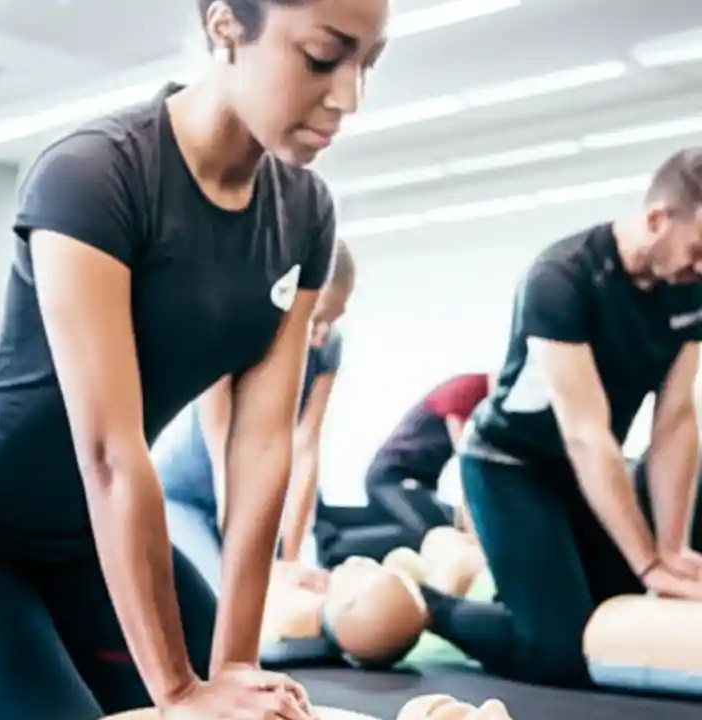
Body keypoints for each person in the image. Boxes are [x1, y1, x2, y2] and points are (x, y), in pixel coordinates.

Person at [0, 1, 388, 719]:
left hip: (85, 531)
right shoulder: (92, 176)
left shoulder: (306, 214)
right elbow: (110, 451)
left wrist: (233, 664)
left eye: (369, 62)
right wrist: (178, 693)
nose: (348, 96)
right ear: (224, 26)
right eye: (324, 57)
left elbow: (261, 444)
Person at [422, 148, 702, 689]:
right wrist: (647, 564)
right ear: (655, 220)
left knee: (613, 620)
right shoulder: (561, 277)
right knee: (560, 652)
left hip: (586, 476)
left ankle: (513, 588)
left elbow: (676, 421)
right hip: (509, 466)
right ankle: (428, 602)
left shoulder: (692, 290)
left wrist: (671, 550)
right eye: (698, 250)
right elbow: (586, 434)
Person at [152, 240, 354, 595]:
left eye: (332, 321)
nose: (321, 335)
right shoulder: (227, 330)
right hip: (187, 497)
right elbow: (224, 452)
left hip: (256, 485)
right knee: (225, 597)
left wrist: (291, 558)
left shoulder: (327, 348)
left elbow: (305, 447)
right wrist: (246, 562)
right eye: (316, 319)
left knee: (300, 586)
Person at [363, 372, 491, 550]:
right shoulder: (472, 389)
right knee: (434, 535)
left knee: (445, 526)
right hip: (392, 477)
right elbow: (466, 459)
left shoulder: (479, 393)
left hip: (416, 481)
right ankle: (332, 544)